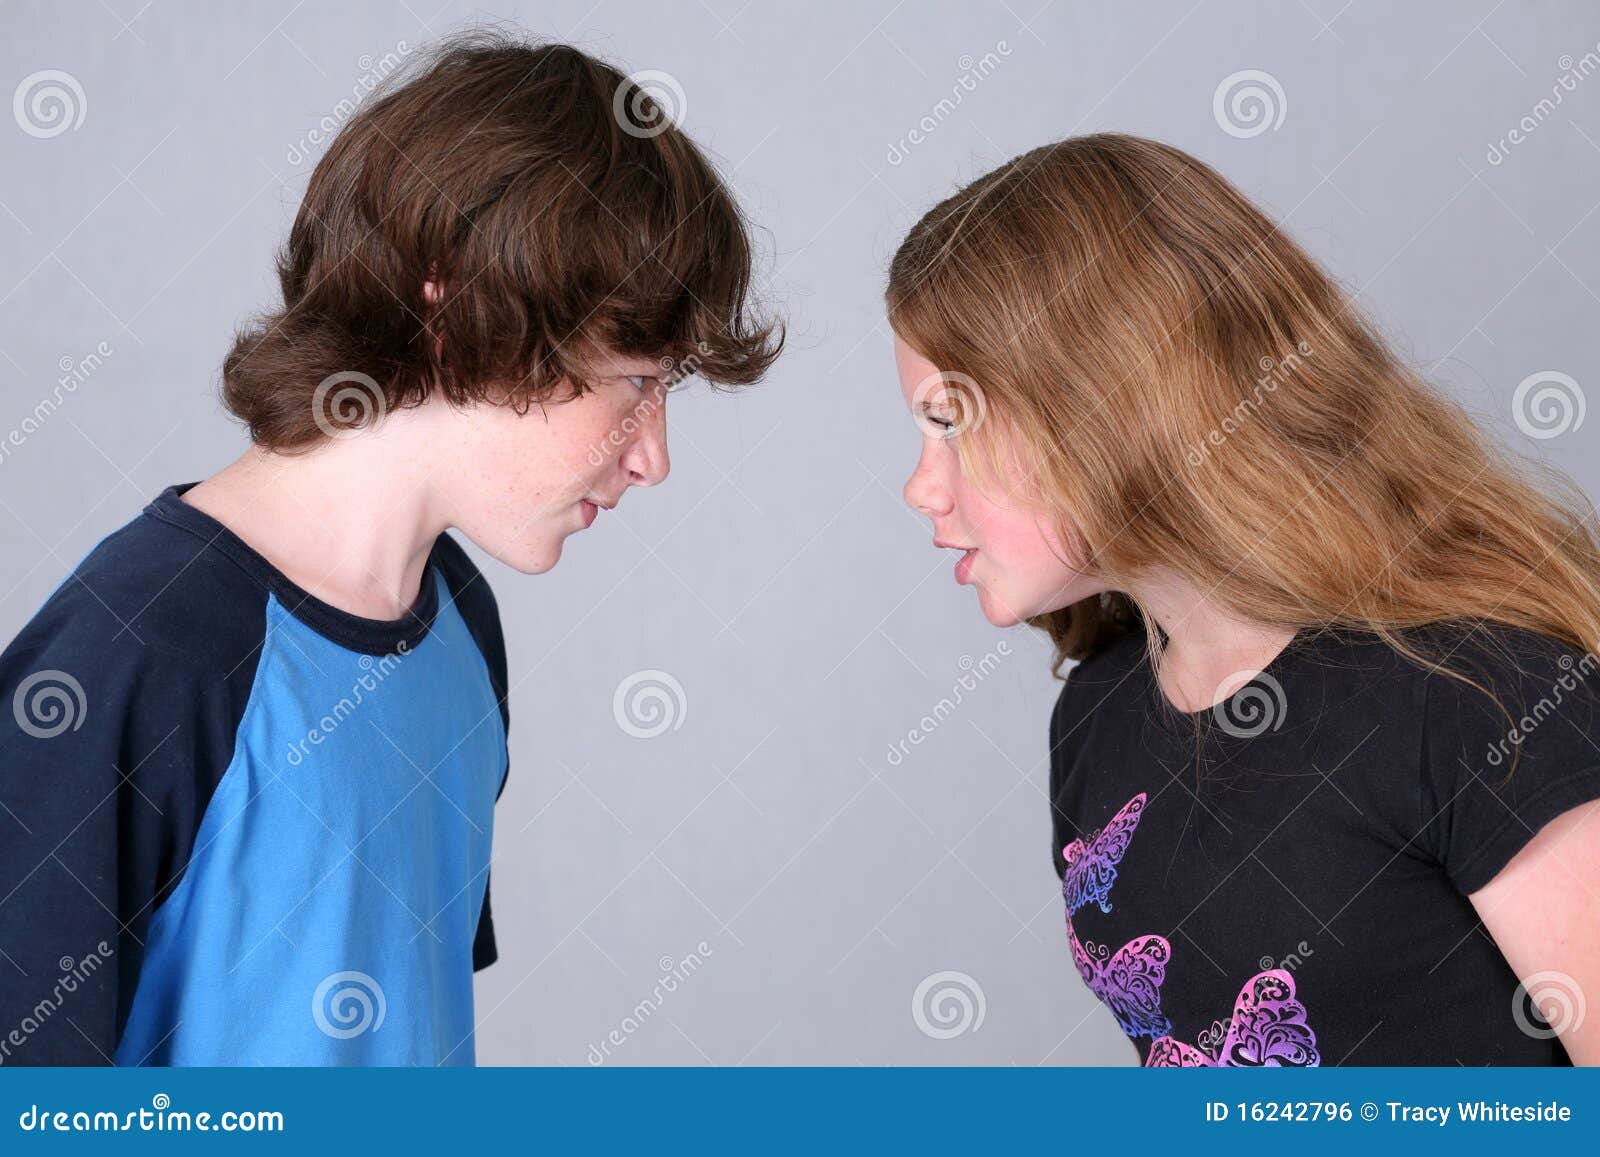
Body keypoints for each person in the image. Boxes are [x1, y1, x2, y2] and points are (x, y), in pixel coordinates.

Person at [0, 31, 779, 1066]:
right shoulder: (141, 651)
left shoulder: (459, 620)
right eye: (636, 379)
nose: (655, 458)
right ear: (454, 310)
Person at [886, 132, 1600, 1066]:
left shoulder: (1479, 698)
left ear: (1115, 399)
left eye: (952, 423)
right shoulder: (1097, 715)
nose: (921, 487)